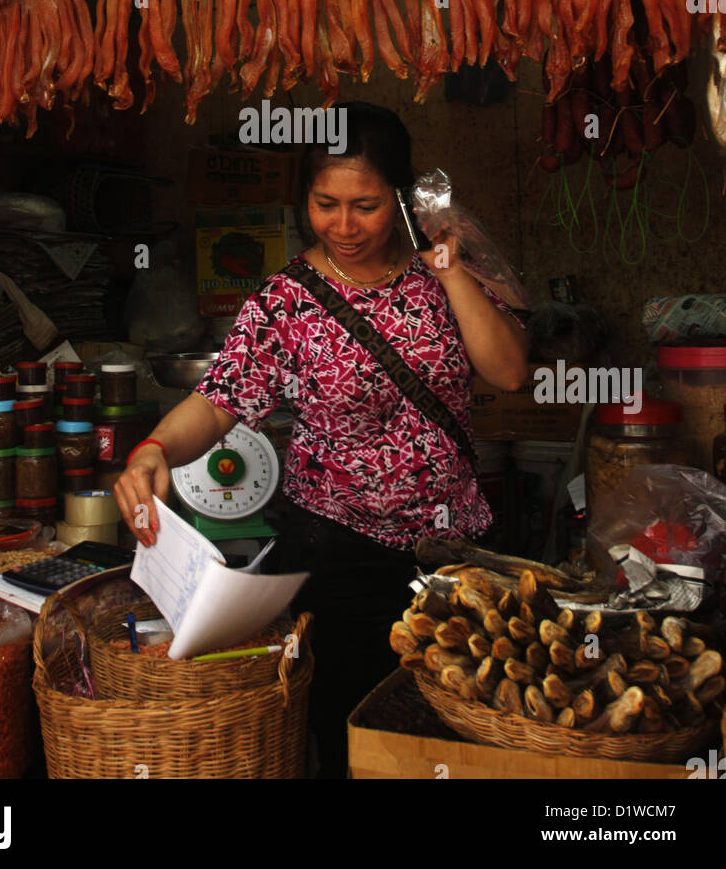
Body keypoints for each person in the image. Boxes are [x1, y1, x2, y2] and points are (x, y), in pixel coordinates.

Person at [114, 101, 528, 777]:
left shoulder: (443, 272)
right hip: (340, 559)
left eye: (364, 205)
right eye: (324, 202)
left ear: (399, 198)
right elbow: (218, 404)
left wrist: (449, 262)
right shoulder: (286, 301)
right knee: (357, 745)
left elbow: (509, 371)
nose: (343, 226)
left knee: (456, 739)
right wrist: (152, 449)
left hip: (455, 557)